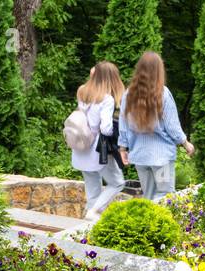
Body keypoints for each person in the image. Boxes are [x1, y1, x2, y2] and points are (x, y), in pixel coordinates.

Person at [118, 51, 194, 201]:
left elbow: (123, 124)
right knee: (165, 196)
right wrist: (185, 143)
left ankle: (149, 224)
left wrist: (122, 148)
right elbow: (172, 126)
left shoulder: (128, 94)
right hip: (161, 159)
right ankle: (162, 224)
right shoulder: (163, 93)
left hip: (140, 156)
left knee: (149, 196)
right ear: (159, 70)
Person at [70, 61, 126, 219]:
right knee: (117, 182)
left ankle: (89, 222)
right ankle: (94, 212)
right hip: (97, 149)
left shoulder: (82, 92)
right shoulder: (107, 99)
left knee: (92, 188)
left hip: (81, 146)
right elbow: (106, 128)